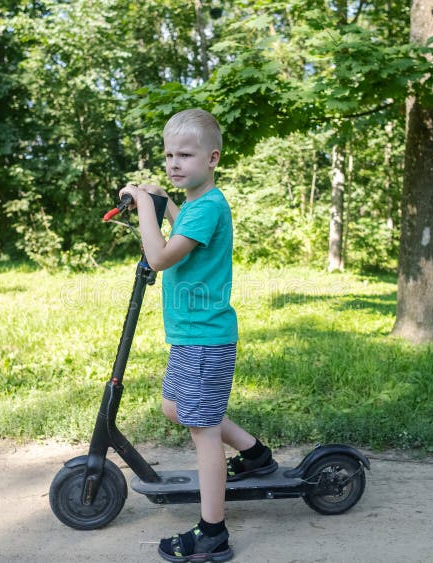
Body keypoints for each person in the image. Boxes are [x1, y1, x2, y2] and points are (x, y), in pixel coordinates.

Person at [119, 108, 277, 562]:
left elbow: (161, 255)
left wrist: (147, 207)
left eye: (184, 155)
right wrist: (163, 201)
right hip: (192, 336)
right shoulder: (196, 204)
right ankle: (255, 455)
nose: (173, 164)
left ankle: (212, 533)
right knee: (176, 406)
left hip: (206, 338)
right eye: (168, 154)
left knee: (202, 428)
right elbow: (180, 226)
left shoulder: (209, 206)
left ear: (212, 158)